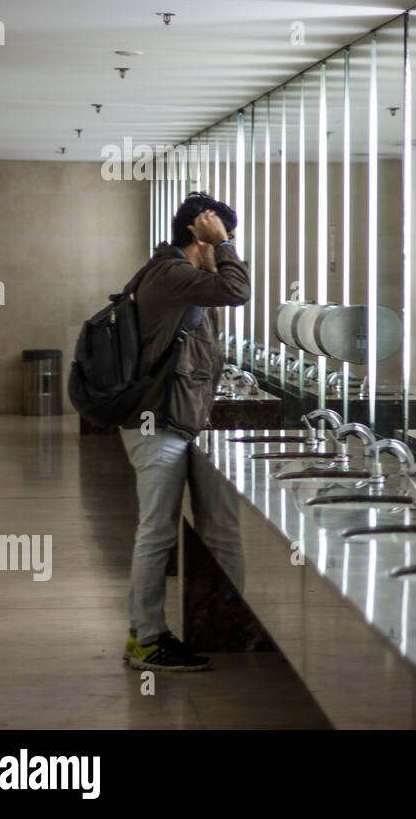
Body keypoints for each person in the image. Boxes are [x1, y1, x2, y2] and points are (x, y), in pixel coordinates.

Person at [120, 193, 250, 672]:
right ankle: (146, 640)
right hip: (157, 424)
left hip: (171, 421)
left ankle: (153, 634)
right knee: (155, 532)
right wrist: (223, 248)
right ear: (200, 235)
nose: (229, 246)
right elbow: (238, 291)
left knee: (158, 531)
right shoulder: (173, 274)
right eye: (223, 237)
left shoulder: (180, 278)